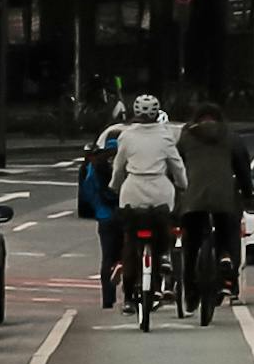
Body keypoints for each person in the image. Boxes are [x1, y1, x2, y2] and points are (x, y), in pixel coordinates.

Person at [110, 91, 186, 325]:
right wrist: (182, 184)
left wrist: (115, 185)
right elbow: (177, 166)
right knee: (163, 230)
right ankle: (162, 259)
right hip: (160, 193)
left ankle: (128, 297)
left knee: (130, 240)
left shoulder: (126, 136)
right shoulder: (165, 137)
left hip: (132, 192)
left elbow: (119, 167)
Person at [178, 105, 245, 317]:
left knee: (191, 246)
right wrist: (248, 193)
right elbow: (243, 169)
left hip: (193, 199)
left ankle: (191, 293)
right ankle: (227, 271)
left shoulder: (186, 138)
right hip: (224, 198)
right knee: (229, 233)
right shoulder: (231, 137)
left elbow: (175, 165)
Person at [78, 122, 125, 307]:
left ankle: (108, 299)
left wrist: (97, 207)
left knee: (107, 256)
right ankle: (131, 293)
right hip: (126, 212)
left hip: (105, 216)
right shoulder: (128, 159)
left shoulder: (96, 163)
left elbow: (87, 189)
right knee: (130, 250)